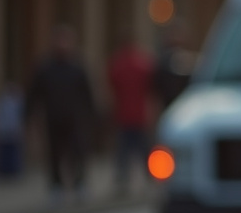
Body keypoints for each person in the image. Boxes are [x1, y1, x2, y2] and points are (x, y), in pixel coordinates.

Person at [26, 26, 97, 202]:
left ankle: (79, 183)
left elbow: (87, 95)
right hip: (53, 119)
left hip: (74, 119)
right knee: (54, 155)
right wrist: (28, 118)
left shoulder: (77, 67)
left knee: (78, 153)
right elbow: (33, 94)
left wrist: (92, 117)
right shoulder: (45, 68)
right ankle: (56, 186)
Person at [107, 33, 153, 196]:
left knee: (124, 152)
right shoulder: (142, 64)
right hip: (138, 115)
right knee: (142, 150)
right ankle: (149, 180)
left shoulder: (118, 64)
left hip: (124, 115)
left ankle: (123, 181)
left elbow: (112, 85)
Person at [0, 82, 23, 181]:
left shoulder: (18, 102)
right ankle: (4, 173)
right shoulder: (3, 102)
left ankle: (13, 172)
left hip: (13, 131)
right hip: (4, 131)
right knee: (5, 154)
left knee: (13, 154)